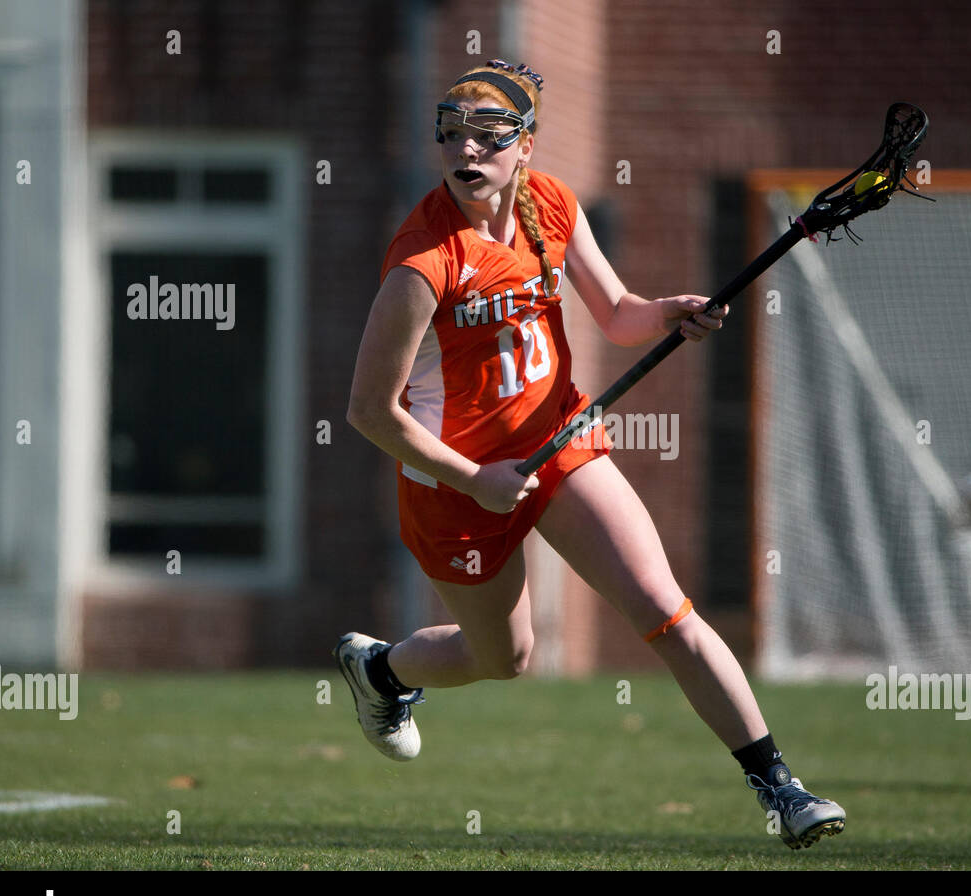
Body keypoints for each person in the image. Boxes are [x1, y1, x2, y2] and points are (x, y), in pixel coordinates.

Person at [336, 60, 845, 849]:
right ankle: (384, 672)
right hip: (455, 485)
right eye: (452, 135)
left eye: (488, 137)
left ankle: (782, 788)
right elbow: (369, 410)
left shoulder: (552, 205)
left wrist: (669, 312)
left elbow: (616, 314)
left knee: (663, 609)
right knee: (504, 657)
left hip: (559, 445)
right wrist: (474, 477)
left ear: (526, 147)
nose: (466, 153)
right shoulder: (422, 261)